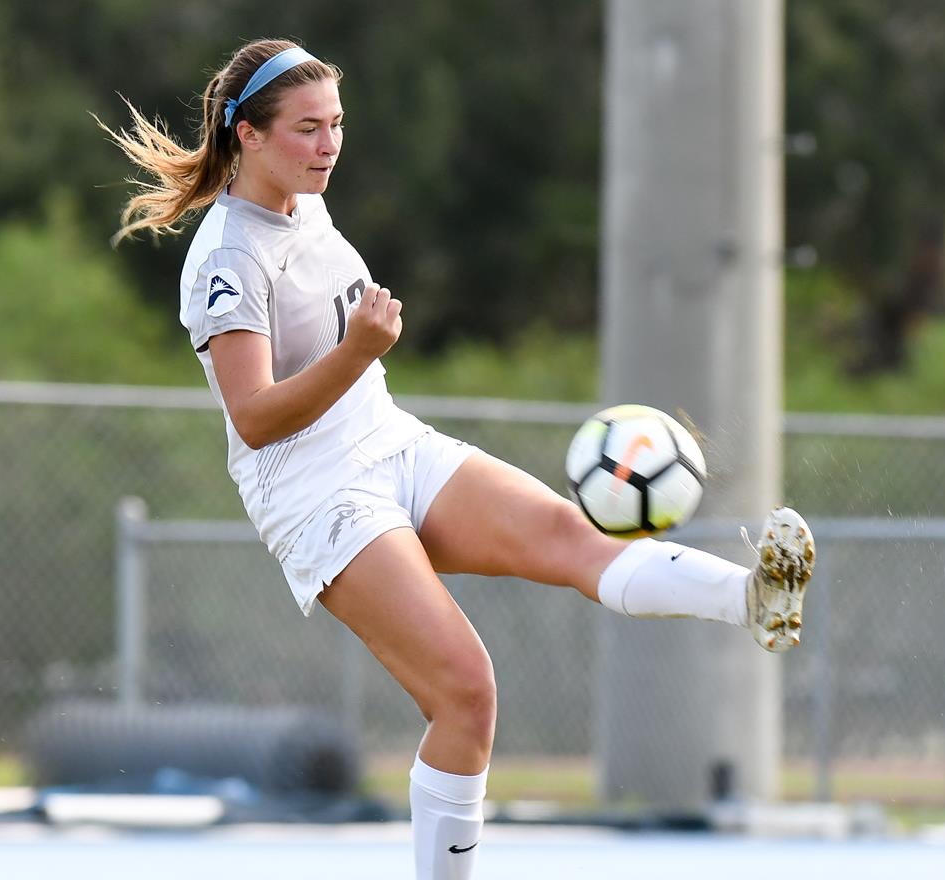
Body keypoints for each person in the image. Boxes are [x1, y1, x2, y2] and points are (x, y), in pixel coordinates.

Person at [101, 38, 814, 880]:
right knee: (466, 695)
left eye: (335, 124)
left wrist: (360, 361)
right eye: (306, 129)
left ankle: (751, 598)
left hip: (388, 441)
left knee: (570, 533)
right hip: (317, 494)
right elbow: (254, 419)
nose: (329, 145)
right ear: (248, 136)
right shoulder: (226, 257)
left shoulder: (302, 203)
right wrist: (359, 349)